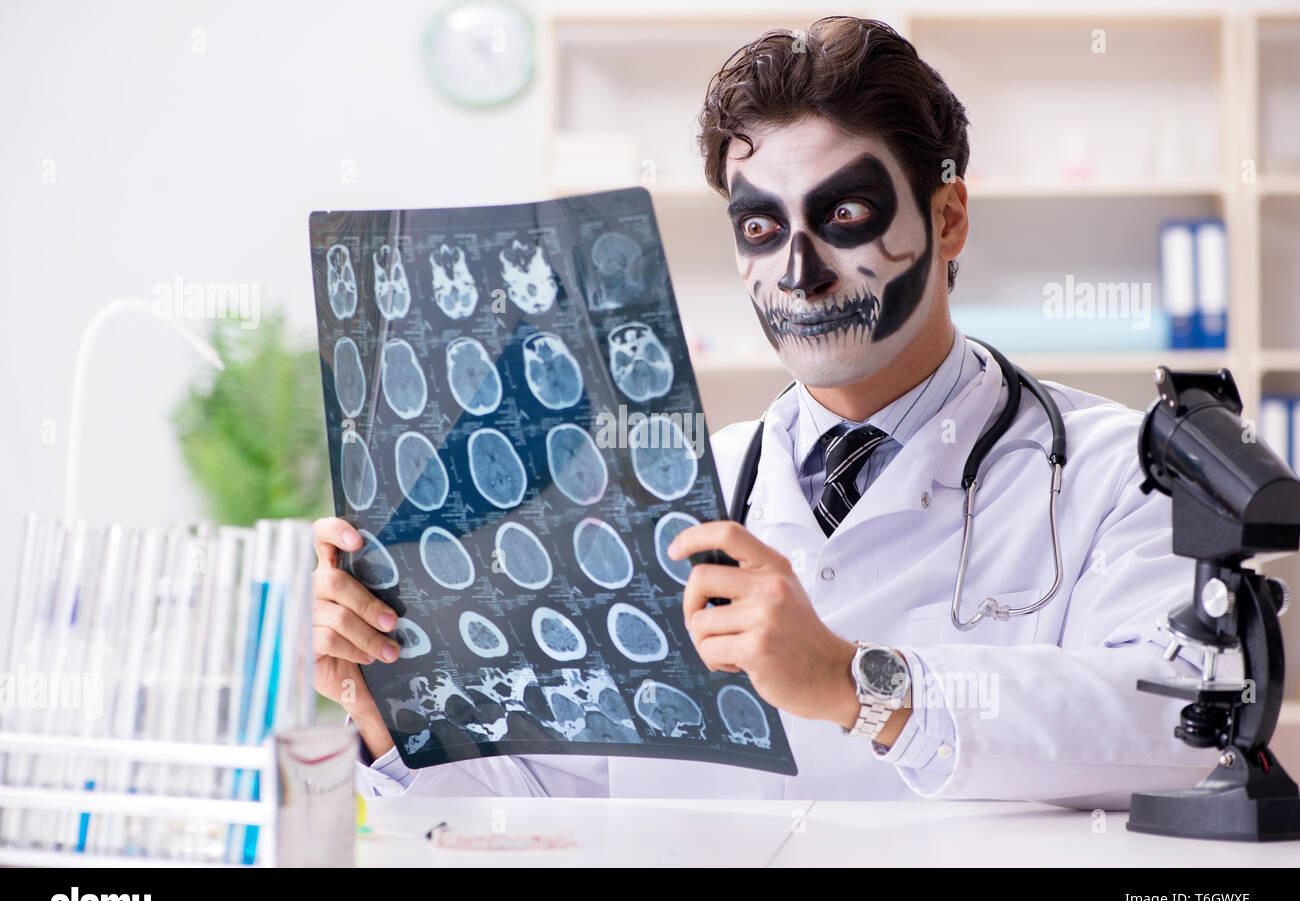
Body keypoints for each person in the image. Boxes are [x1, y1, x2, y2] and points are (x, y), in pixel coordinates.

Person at [312, 16, 1222, 806]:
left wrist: (856, 683)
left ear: (948, 219)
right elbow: (557, 790)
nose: (798, 271)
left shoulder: (1118, 468)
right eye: (760, 227)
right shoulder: (666, 493)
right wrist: (384, 701)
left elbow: (1185, 715)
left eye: (848, 213)